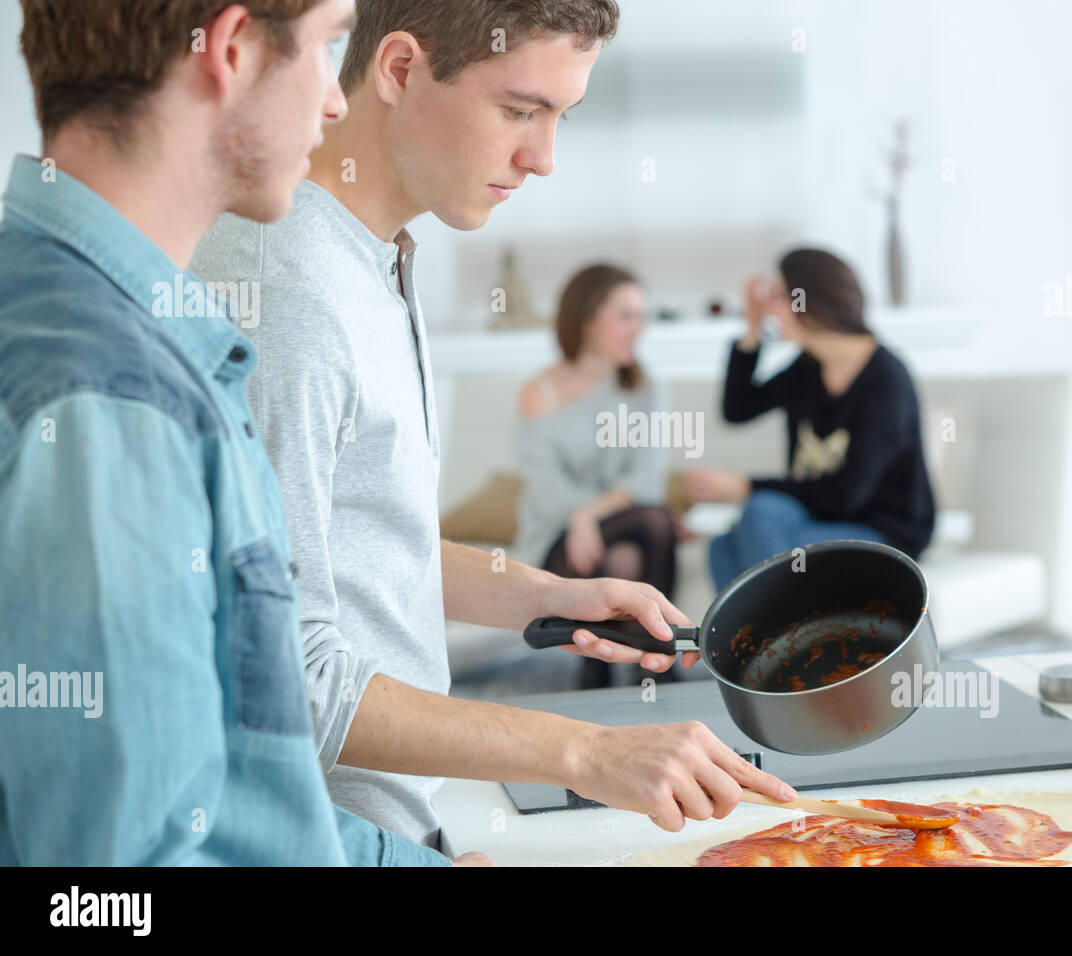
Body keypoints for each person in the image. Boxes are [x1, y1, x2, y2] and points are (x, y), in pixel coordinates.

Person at [190, 0, 797, 849]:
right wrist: (583, 751)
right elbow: (283, 667)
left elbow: (351, 551)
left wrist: (544, 596)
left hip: (395, 833)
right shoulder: (286, 299)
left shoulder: (376, 252)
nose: (543, 159)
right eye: (520, 110)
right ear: (399, 70)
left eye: (560, 118)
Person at [0, 0, 480, 865]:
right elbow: (114, 884)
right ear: (229, 49)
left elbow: (236, 784)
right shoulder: (111, 397)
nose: (336, 101)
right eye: (327, 47)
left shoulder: (127, 331)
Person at [687, 247, 936, 590]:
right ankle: (770, 642)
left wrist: (745, 487)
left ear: (809, 303)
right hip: (817, 520)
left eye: (777, 296)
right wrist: (752, 329)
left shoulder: (886, 380)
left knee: (760, 513)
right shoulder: (806, 369)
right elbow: (737, 410)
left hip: (884, 532)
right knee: (722, 548)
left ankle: (788, 638)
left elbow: (847, 495)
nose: (768, 307)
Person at [515, 264, 681, 690]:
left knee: (651, 522)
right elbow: (548, 492)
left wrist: (588, 514)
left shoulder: (645, 388)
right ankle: (606, 665)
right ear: (587, 319)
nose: (638, 329)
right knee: (632, 540)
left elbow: (647, 478)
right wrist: (577, 518)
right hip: (555, 538)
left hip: (618, 523)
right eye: (626, 315)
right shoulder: (539, 393)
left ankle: (651, 659)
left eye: (642, 317)